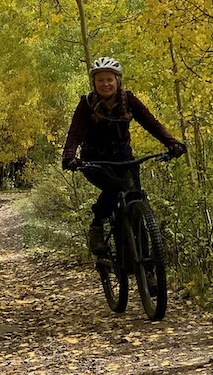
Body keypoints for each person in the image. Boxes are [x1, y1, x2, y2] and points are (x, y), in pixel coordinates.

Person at [61, 57, 187, 256]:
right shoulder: (86, 104)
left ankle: (148, 271)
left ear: (117, 81)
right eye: (100, 80)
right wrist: (69, 156)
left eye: (109, 79)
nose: (105, 84)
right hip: (95, 162)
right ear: (94, 83)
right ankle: (97, 227)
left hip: (125, 160)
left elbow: (151, 123)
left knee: (136, 203)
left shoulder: (128, 100)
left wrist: (171, 143)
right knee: (115, 189)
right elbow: (75, 133)